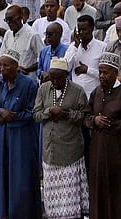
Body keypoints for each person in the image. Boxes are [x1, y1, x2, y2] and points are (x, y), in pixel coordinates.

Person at [86, 50, 121, 218]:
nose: (102, 76)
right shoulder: (96, 92)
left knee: (120, 194)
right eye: (100, 72)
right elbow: (86, 116)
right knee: (100, 192)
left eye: (106, 72)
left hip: (120, 155)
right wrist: (95, 120)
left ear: (116, 73)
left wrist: (110, 124)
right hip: (98, 153)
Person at [36, 57, 91, 219]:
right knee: (53, 201)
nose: (54, 81)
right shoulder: (44, 89)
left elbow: (85, 117)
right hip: (50, 150)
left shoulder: (77, 91)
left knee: (70, 201)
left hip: (70, 151)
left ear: (66, 75)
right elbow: (36, 115)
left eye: (58, 77)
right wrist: (49, 112)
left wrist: (66, 114)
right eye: (52, 77)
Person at [0, 48, 42, 219]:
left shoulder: (29, 84)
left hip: (22, 137)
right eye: (1, 65)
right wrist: (0, 113)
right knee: (3, 176)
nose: (2, 69)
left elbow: (33, 112)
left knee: (21, 178)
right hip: (3, 136)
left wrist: (13, 116)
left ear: (16, 66)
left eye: (6, 66)